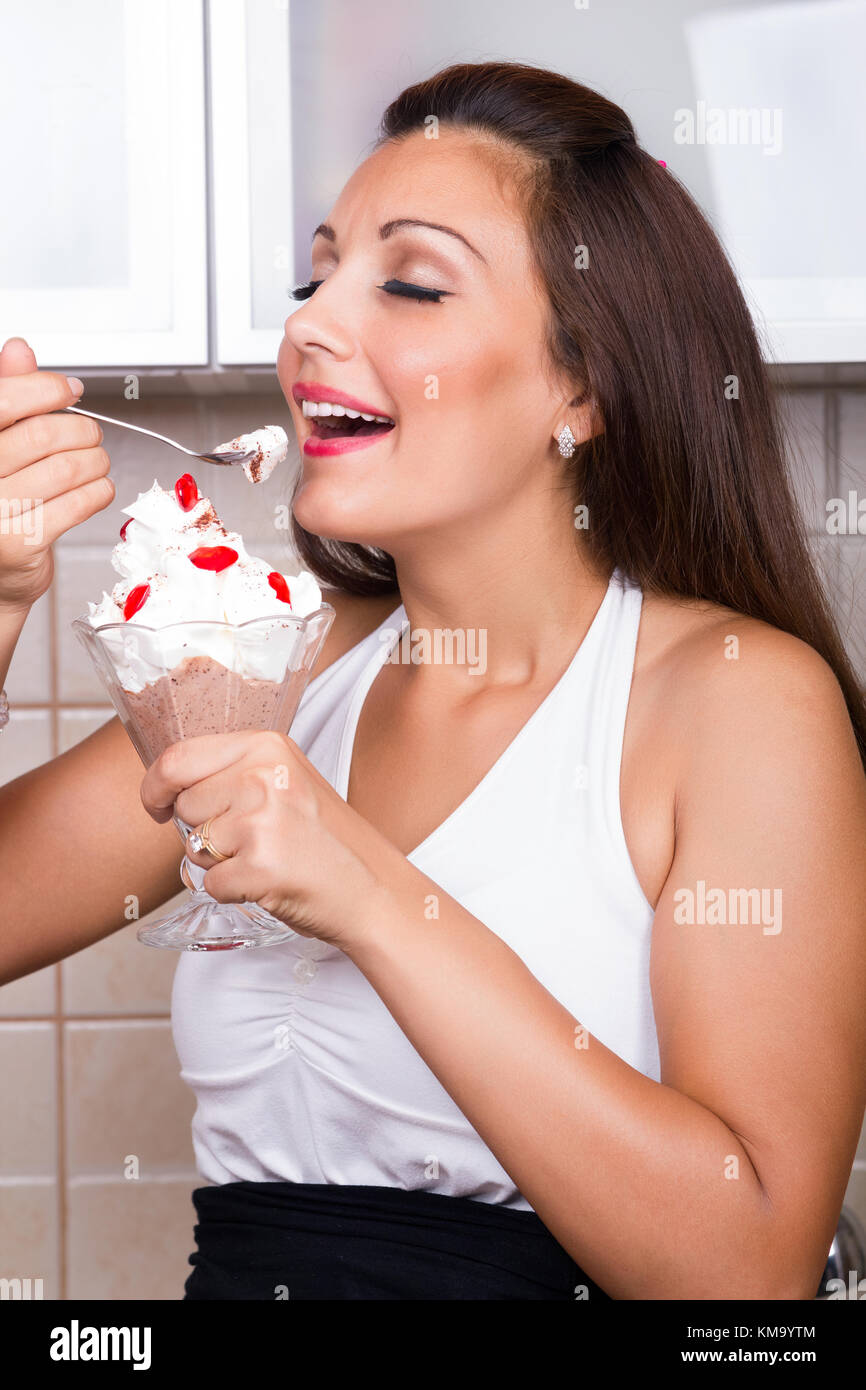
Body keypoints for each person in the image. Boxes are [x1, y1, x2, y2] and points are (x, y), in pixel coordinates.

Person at [1, 61, 865, 1301]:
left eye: (407, 283)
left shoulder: (735, 702)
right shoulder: (272, 672)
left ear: (579, 384)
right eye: (316, 275)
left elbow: (748, 1276)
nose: (307, 325)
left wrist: (358, 883)